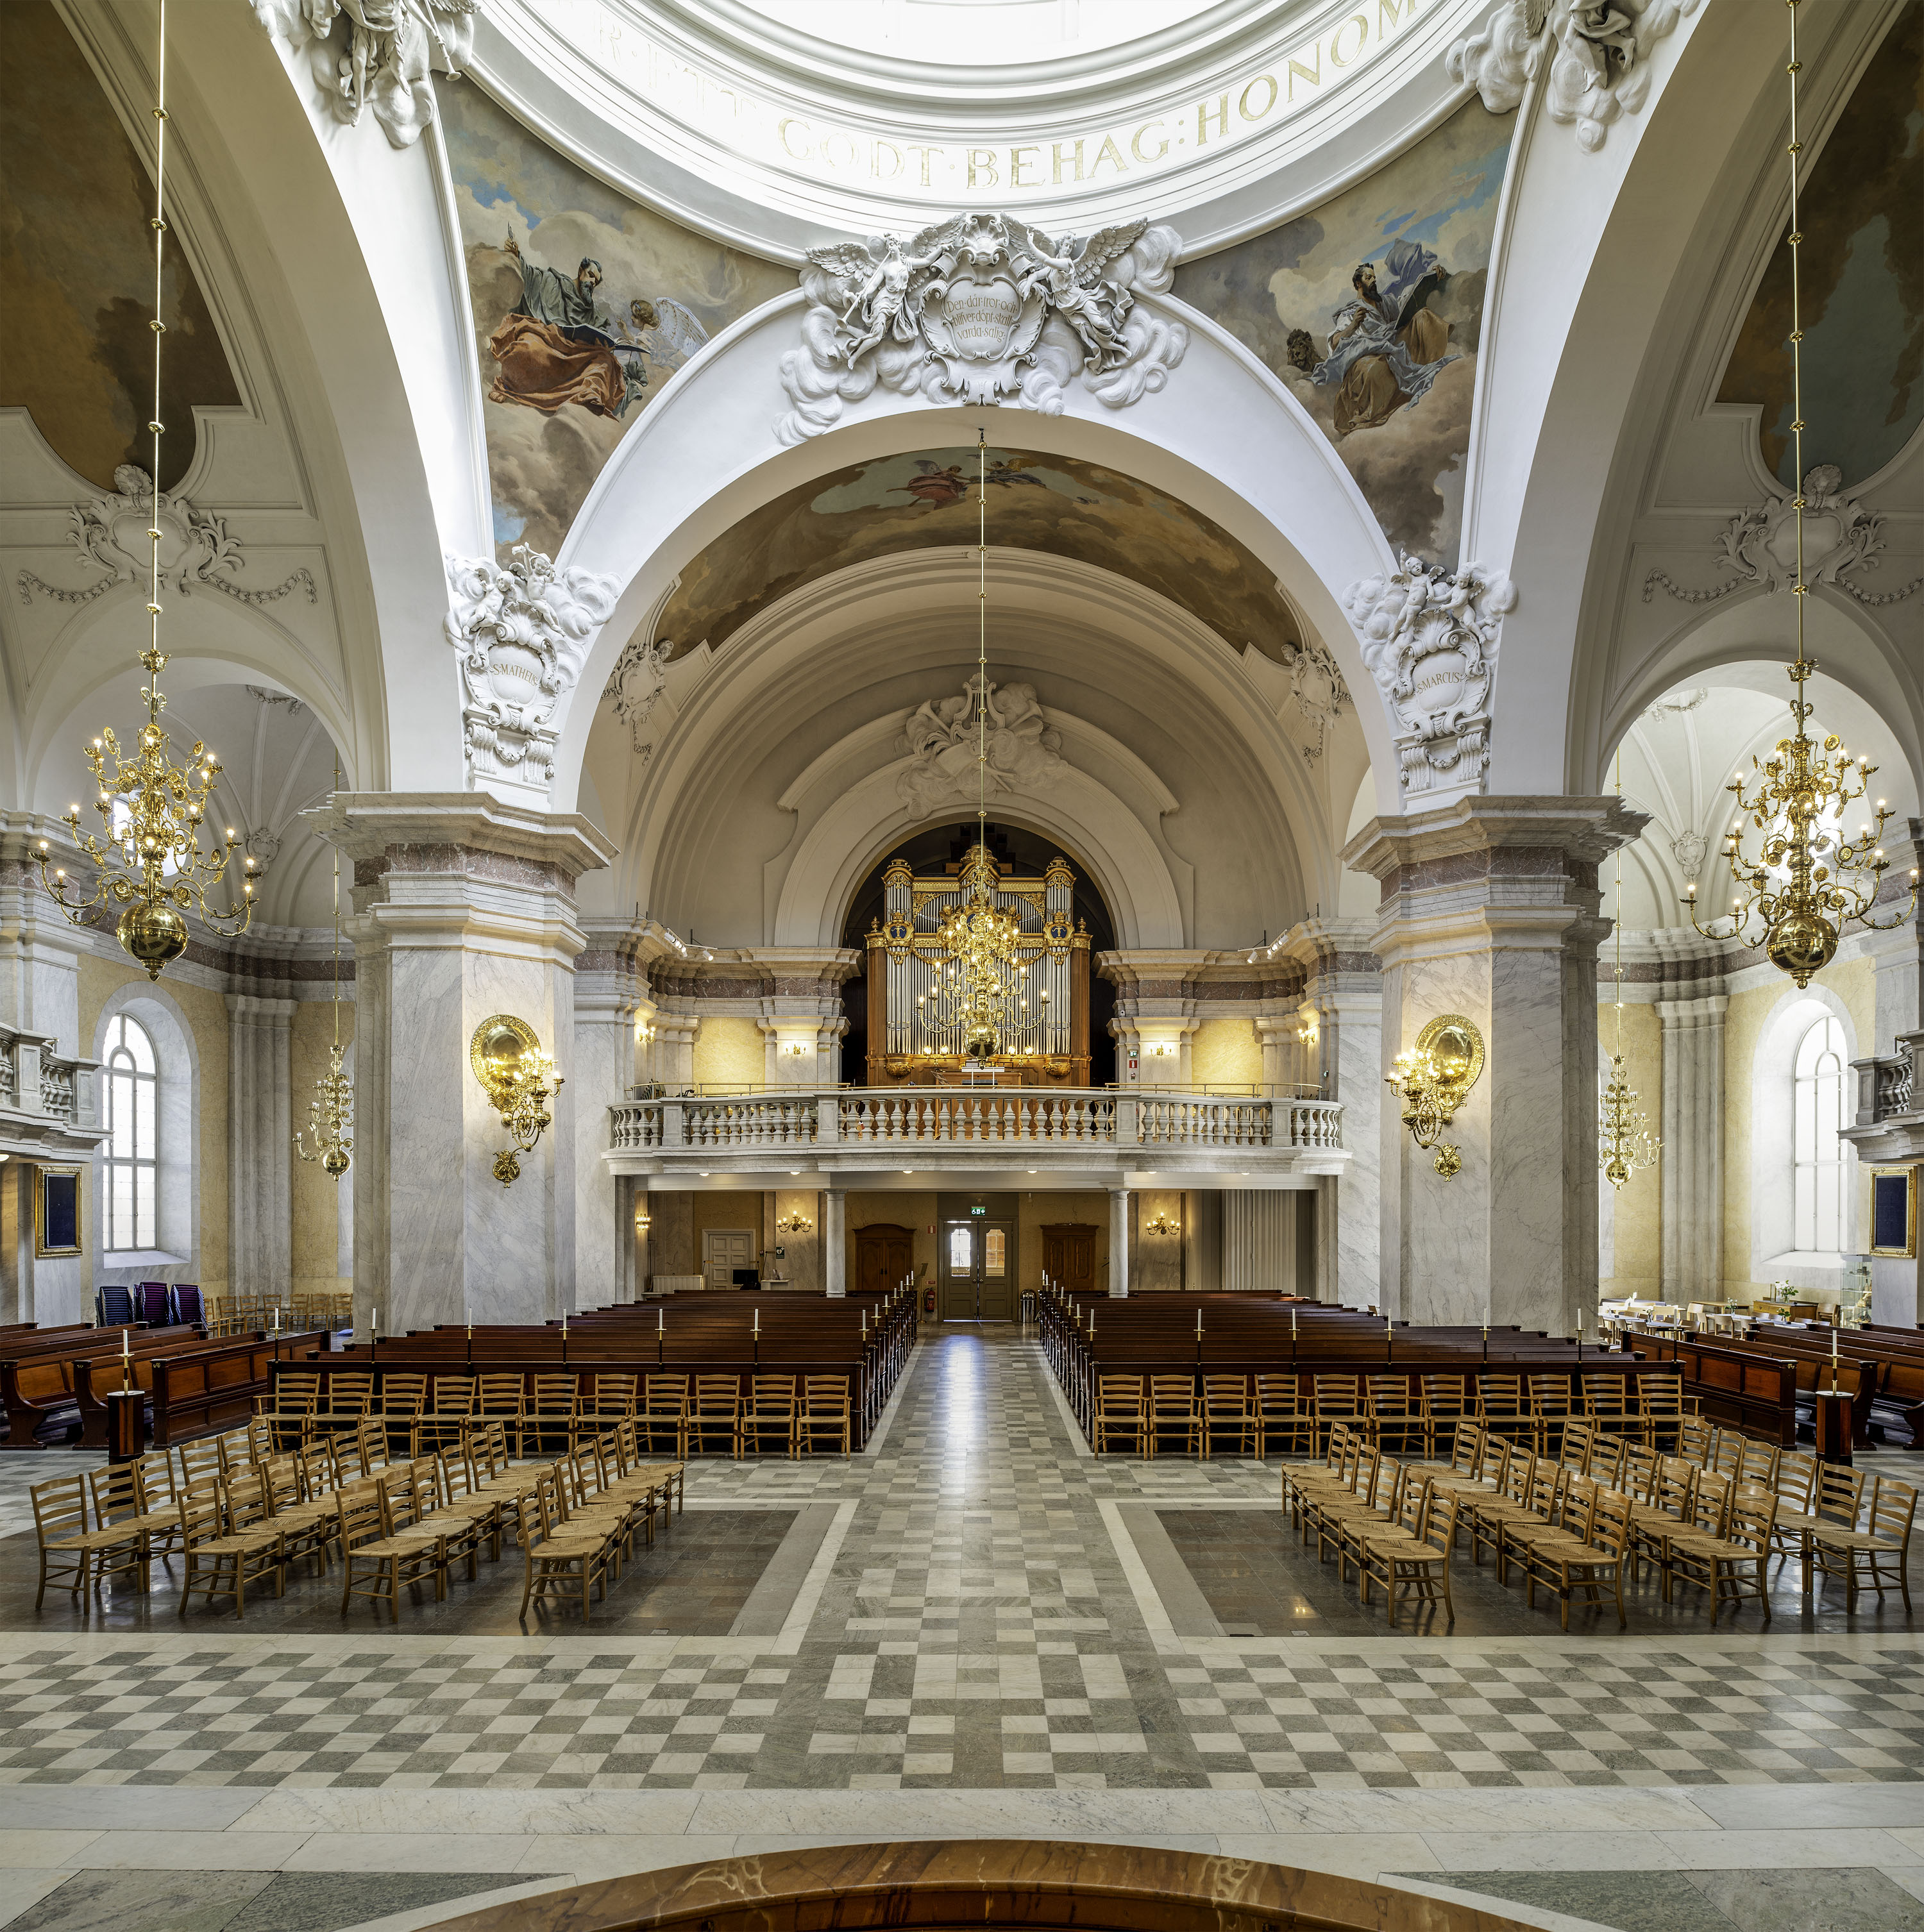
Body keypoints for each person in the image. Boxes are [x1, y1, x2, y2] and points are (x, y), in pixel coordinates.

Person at [1310, 240, 1458, 435]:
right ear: (1358, 284)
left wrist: (1431, 280)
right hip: (1371, 355)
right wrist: (1354, 324)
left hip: (1393, 346)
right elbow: (1335, 342)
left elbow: (1407, 302)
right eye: (1369, 278)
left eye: (1374, 278)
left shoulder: (1386, 303)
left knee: (1423, 316)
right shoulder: (1350, 313)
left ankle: (1426, 366)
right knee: (1371, 370)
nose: (1374, 281)